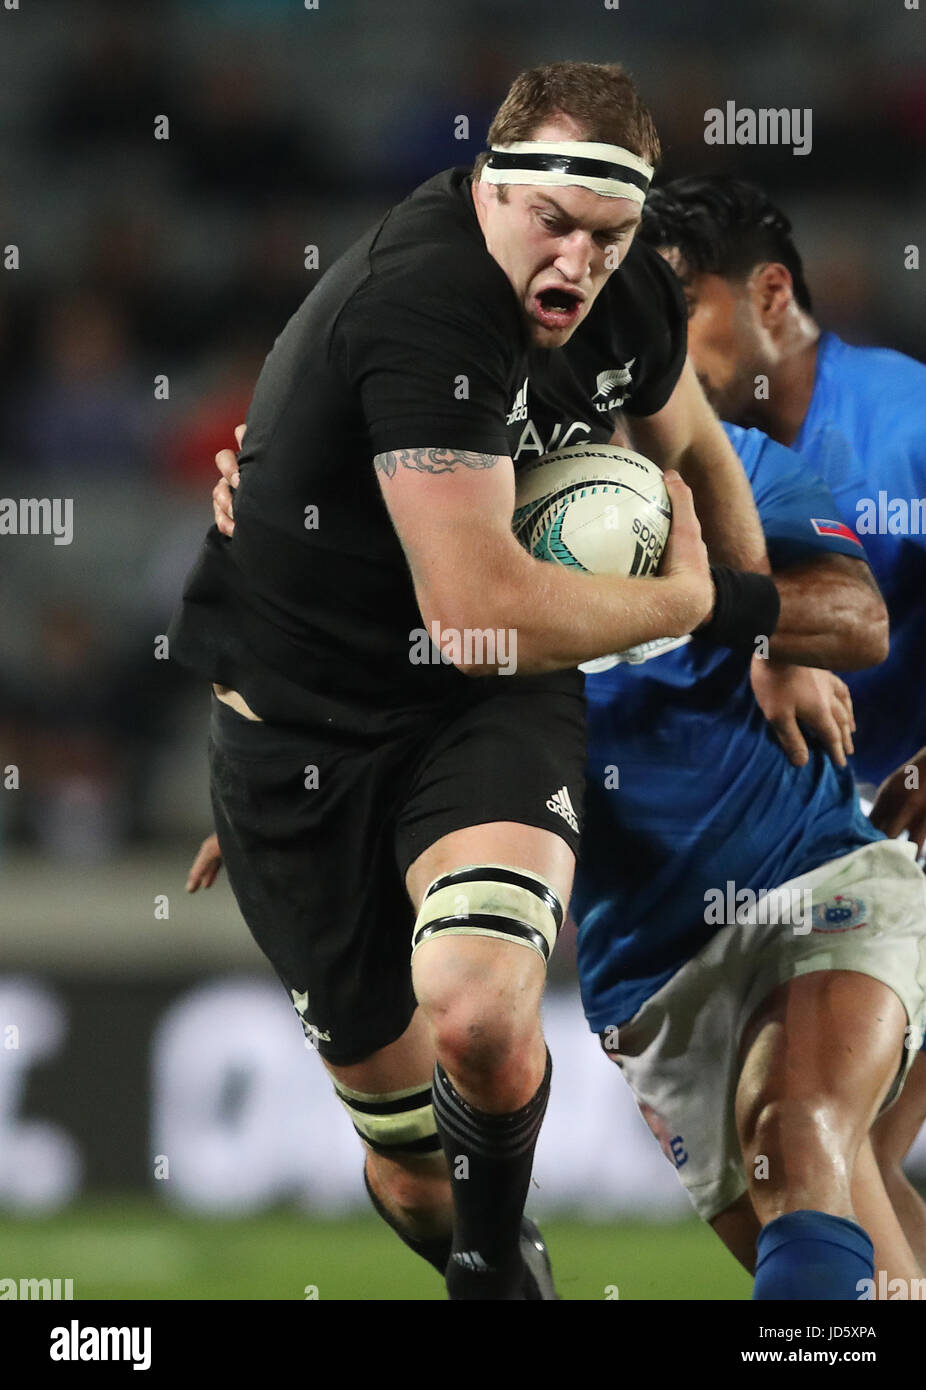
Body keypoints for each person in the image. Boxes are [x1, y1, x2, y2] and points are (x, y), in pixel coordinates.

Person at [170, 61, 786, 1300]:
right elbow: (474, 608)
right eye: (548, 220)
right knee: (409, 1172)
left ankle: (488, 1279)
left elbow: (699, 456)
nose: (575, 259)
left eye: (606, 234)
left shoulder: (624, 300)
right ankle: (496, 1255)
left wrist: (757, 642)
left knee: (482, 1014)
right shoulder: (423, 306)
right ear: (485, 186)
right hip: (299, 736)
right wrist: (692, 605)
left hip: (479, 705)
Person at [638, 174, 926, 1270]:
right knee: (849, 1168)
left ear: (767, 293)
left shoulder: (899, 426)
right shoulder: (688, 457)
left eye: (682, 306)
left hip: (890, 834)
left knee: (828, 1148)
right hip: (817, 846)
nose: (659, 339)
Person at [572, 414, 926, 1299]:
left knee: (798, 1130)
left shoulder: (730, 462)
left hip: (819, 878)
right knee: (852, 1212)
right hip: (652, 981)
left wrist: (763, 627)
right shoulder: (450, 516)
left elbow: (856, 617)